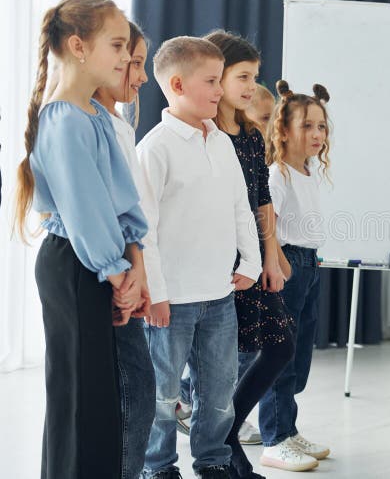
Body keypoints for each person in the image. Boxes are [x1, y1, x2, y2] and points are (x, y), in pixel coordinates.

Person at [14, 0, 148, 479]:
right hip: (76, 263)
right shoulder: (64, 118)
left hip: (95, 262)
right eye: (116, 46)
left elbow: (122, 201)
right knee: (79, 396)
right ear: (78, 47)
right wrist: (117, 270)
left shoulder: (93, 115)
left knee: (97, 396)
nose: (123, 57)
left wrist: (130, 258)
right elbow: (87, 210)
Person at [137, 36, 261, 479]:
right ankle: (158, 467)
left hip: (219, 295)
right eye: (211, 81)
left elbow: (240, 207)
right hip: (172, 301)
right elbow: (143, 229)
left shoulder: (222, 143)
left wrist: (251, 262)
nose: (218, 90)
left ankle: (212, 460)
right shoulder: (156, 147)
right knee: (163, 394)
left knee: (219, 392)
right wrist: (157, 293)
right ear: (177, 84)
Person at [206, 30, 295, 479]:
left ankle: (226, 432)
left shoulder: (250, 134)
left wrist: (272, 256)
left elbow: (263, 200)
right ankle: (225, 449)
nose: (250, 86)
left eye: (253, 77)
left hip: (254, 257)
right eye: (243, 76)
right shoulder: (205, 132)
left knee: (281, 346)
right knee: (220, 364)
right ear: (215, 75)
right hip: (220, 262)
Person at [93, 19, 157, 479]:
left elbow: (132, 213)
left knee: (137, 388)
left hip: (125, 271)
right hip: (107, 273)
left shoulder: (120, 125)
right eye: (134, 62)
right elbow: (99, 211)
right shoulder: (89, 124)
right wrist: (125, 275)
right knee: (134, 388)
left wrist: (139, 271)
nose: (140, 75)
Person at [258, 80, 332, 472]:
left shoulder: (309, 172)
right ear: (283, 131)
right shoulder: (278, 175)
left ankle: (288, 427)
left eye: (321, 126)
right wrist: (279, 263)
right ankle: (274, 439)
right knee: (280, 355)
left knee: (299, 353)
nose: (317, 134)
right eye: (307, 126)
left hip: (310, 265)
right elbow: (267, 222)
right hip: (289, 265)